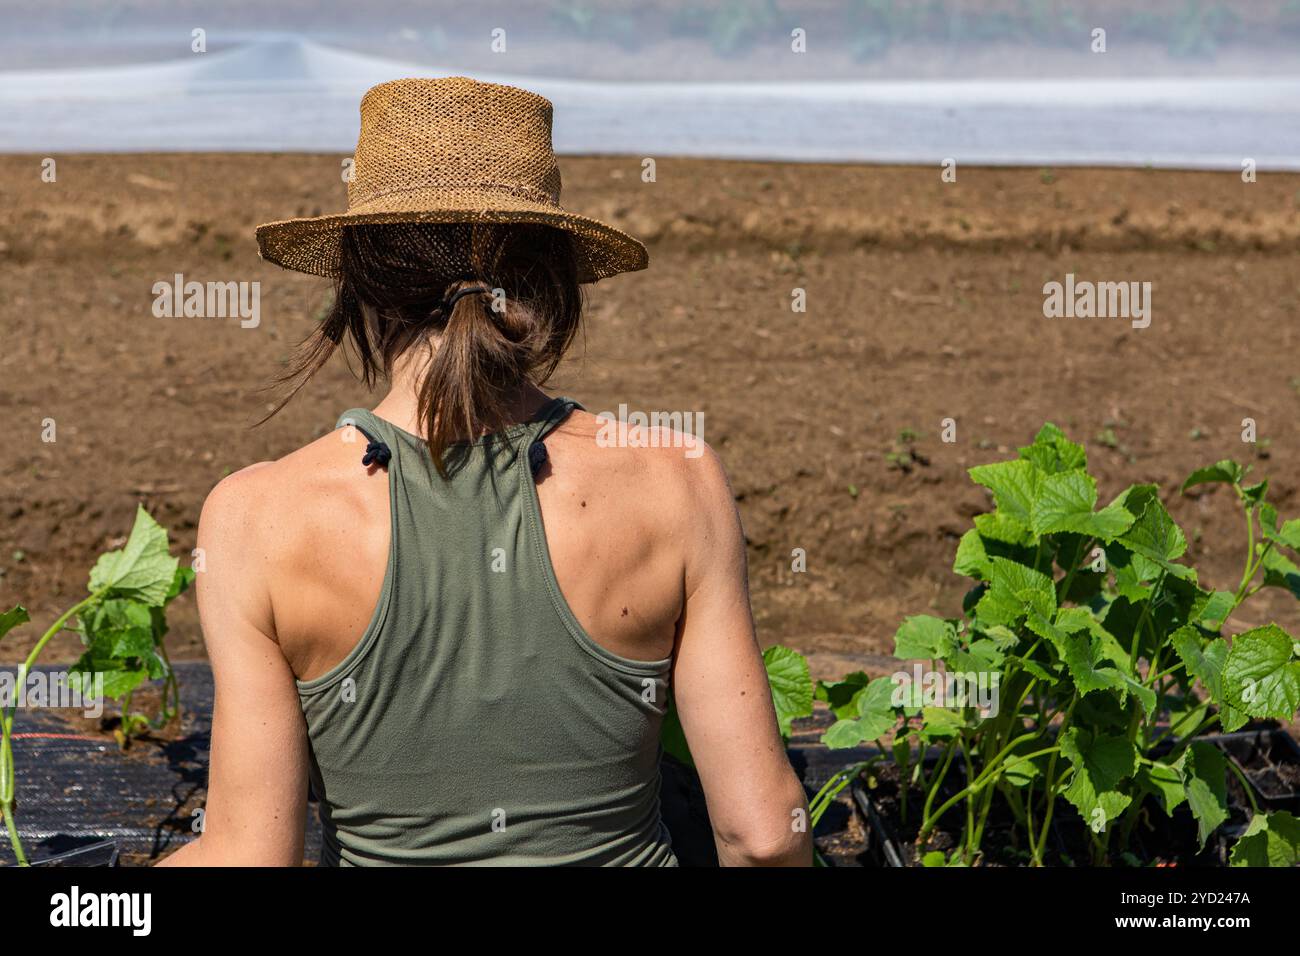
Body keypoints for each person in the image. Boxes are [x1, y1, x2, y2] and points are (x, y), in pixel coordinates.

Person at [159, 77, 810, 867]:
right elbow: (765, 834)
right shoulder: (678, 480)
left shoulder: (255, 519)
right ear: (550, 280)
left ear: (360, 280)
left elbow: (252, 857)